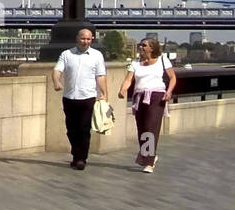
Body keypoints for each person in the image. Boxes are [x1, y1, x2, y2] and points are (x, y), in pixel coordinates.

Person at [52, 27, 108, 170]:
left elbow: (100, 76)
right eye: (83, 38)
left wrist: (104, 93)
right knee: (71, 129)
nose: (85, 42)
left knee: (84, 129)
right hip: (69, 97)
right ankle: (76, 154)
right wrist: (56, 82)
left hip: (87, 97)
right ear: (77, 38)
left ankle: (80, 158)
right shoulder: (66, 54)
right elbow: (57, 70)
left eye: (88, 39)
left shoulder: (97, 55)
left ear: (92, 40)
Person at [118, 38, 176, 173]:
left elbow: (172, 77)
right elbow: (128, 80)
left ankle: (149, 162)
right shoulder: (135, 63)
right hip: (139, 97)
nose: (141, 47)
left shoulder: (162, 60)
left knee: (150, 128)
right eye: (140, 45)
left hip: (156, 96)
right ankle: (148, 156)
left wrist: (169, 92)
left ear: (152, 48)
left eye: (144, 46)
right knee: (142, 129)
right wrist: (122, 90)